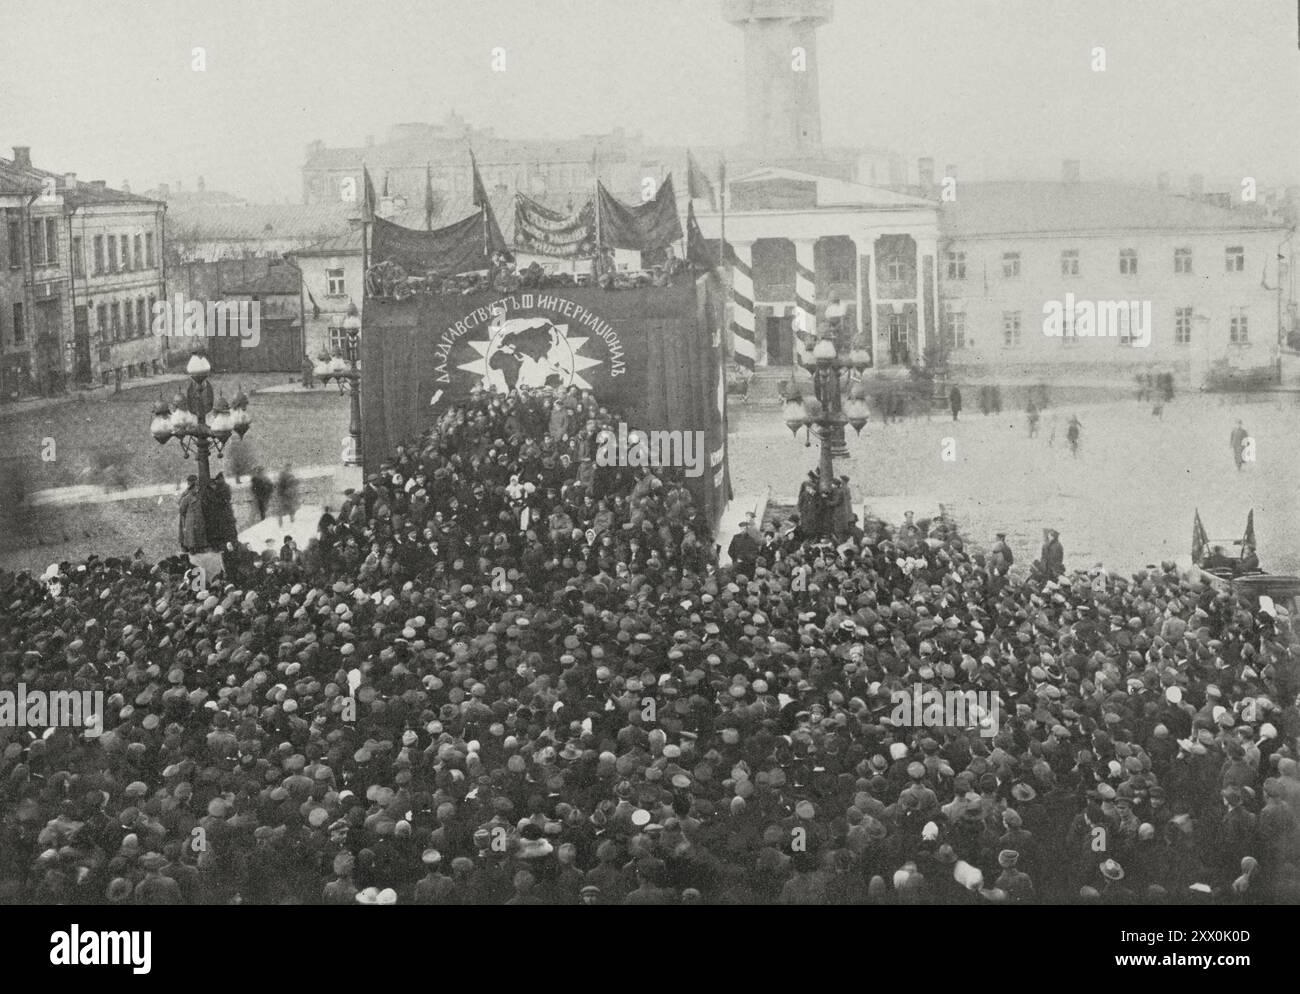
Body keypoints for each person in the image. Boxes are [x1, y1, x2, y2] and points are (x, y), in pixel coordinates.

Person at [178, 475, 204, 552]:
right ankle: (185, 546)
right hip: (186, 514)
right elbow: (180, 503)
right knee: (185, 532)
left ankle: (192, 546)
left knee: (192, 532)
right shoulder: (187, 492)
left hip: (192, 515)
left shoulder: (195, 490)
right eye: (195, 481)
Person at [276, 462, 298, 527]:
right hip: (285, 494)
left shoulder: (287, 475)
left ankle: (290, 522)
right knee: (285, 509)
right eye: (288, 467)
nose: (289, 468)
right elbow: (280, 485)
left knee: (289, 509)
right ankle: (283, 523)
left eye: (289, 467)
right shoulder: (285, 475)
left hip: (287, 494)